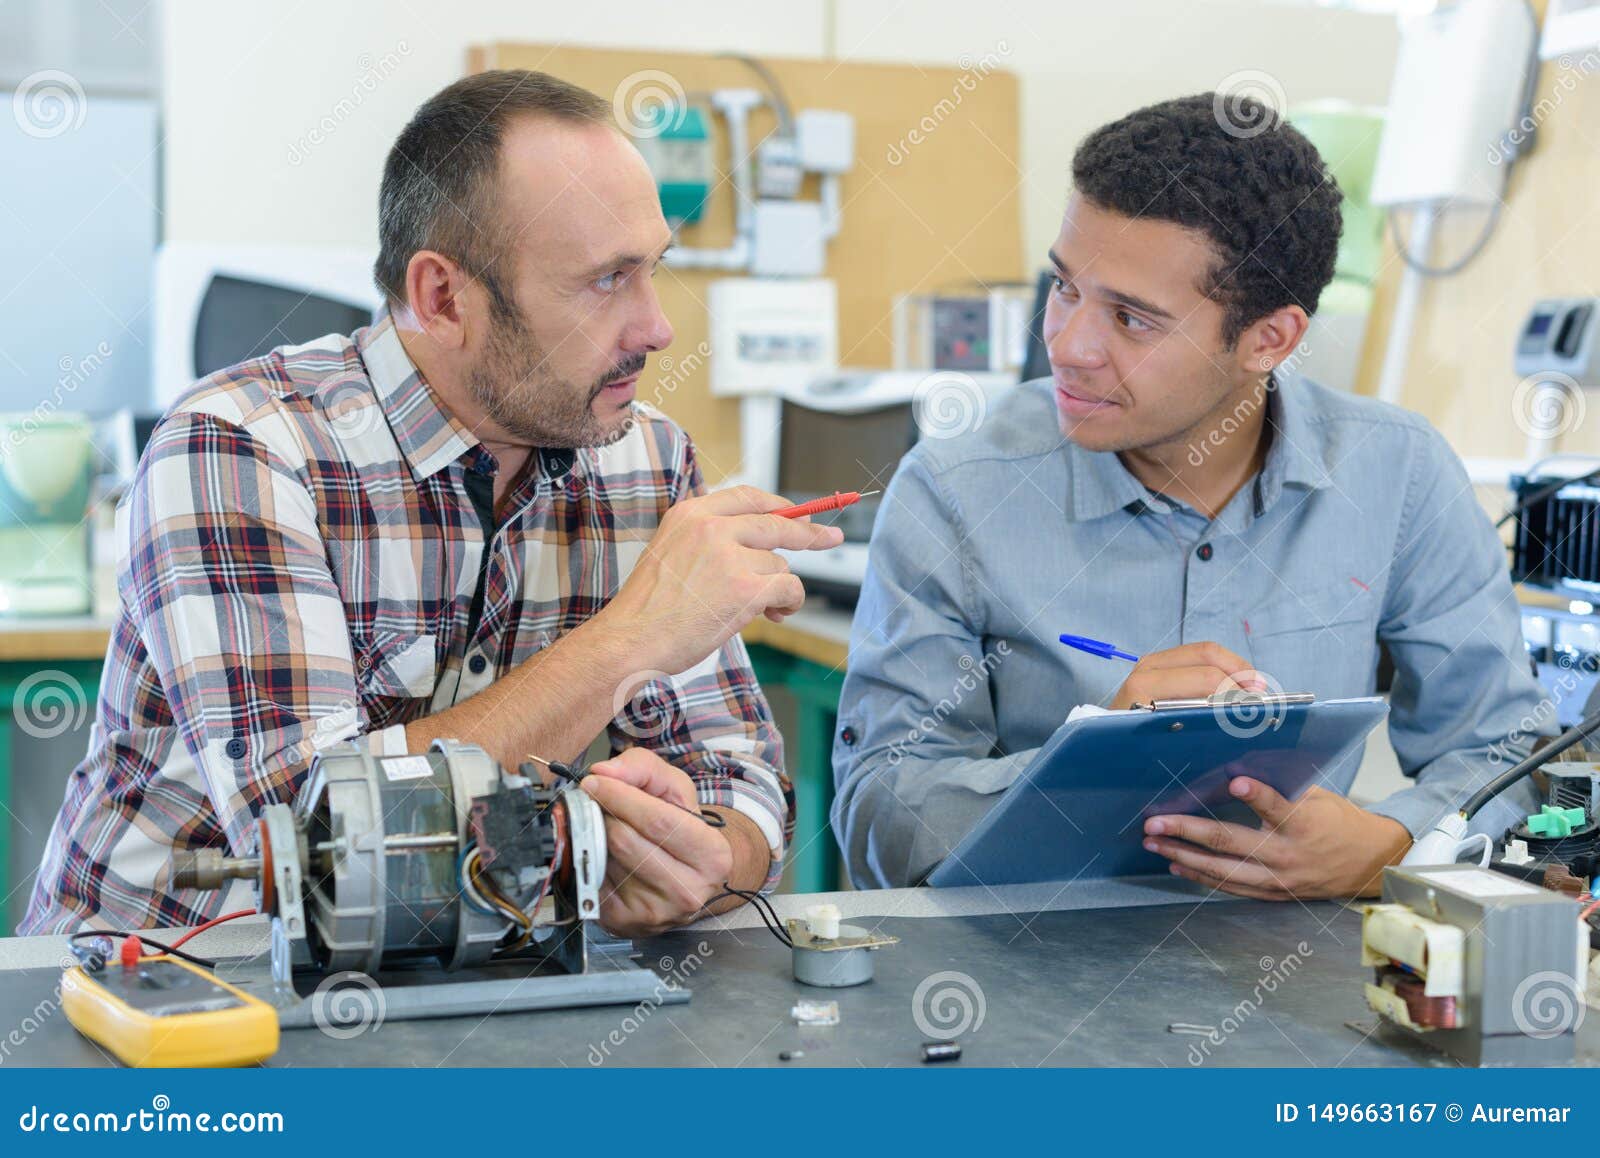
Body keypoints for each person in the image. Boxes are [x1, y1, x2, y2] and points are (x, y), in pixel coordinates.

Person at [23, 70, 842, 937]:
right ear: (442, 297)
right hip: (167, 990)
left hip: (464, 990)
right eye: (607, 281)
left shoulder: (647, 460)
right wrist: (632, 637)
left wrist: (710, 852)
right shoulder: (240, 448)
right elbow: (313, 842)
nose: (657, 327)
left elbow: (738, 777)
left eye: (652, 270)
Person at [832, 93, 1550, 895]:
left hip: (1284, 973)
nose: (1067, 345)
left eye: (1132, 320)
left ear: (1268, 340)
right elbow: (876, 819)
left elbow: (1505, 750)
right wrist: (1089, 759)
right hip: (1018, 978)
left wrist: (1388, 844)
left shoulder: (1400, 471)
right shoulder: (956, 489)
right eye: (1065, 288)